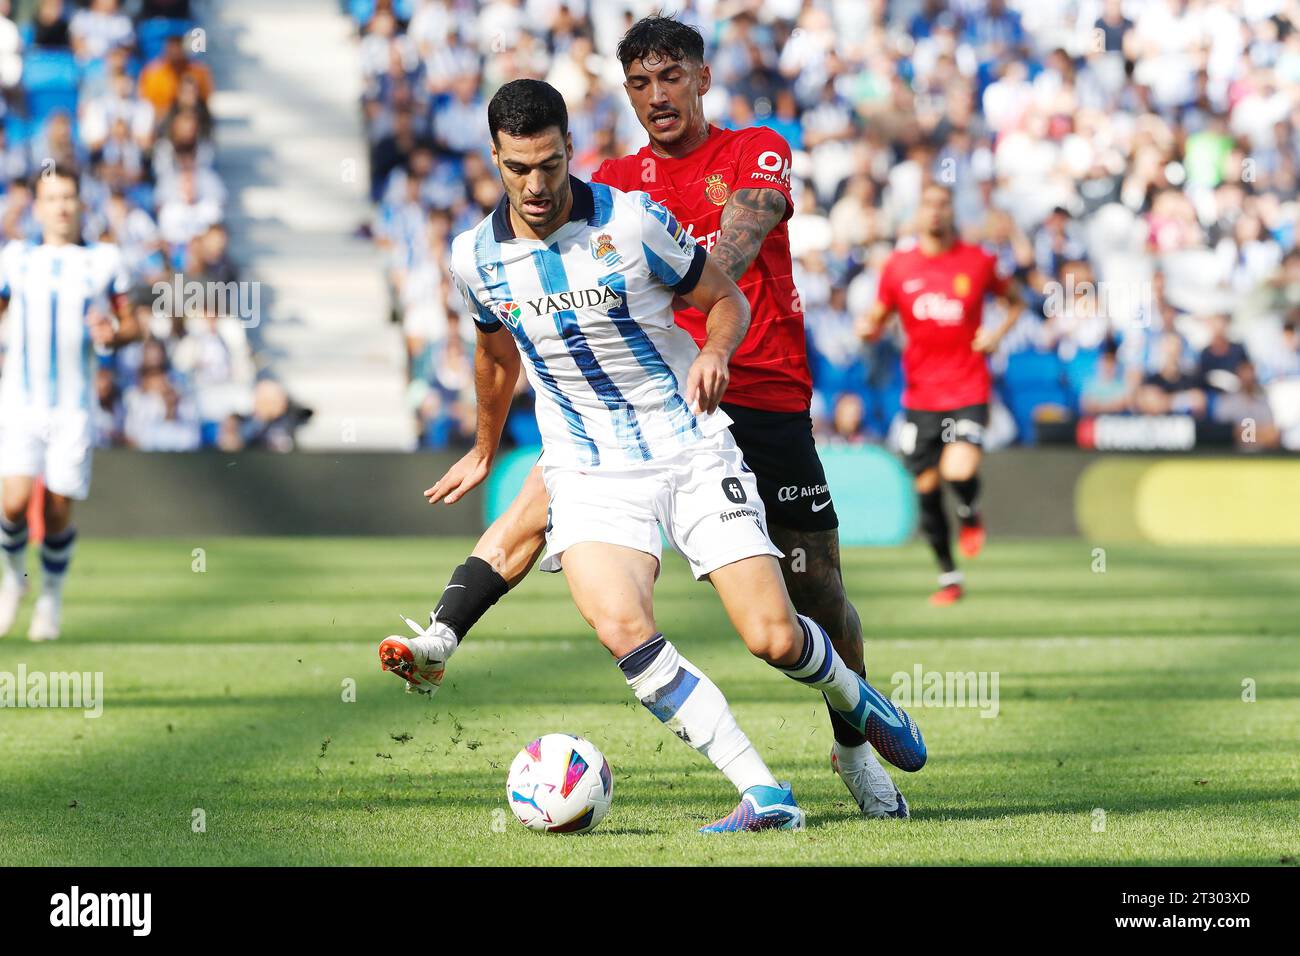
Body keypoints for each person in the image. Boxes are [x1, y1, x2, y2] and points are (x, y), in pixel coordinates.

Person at [383, 15, 910, 819]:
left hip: (756, 389)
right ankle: (442, 635)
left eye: (671, 78)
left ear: (702, 77)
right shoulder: (608, 184)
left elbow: (733, 247)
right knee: (551, 490)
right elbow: (515, 328)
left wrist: (650, 269)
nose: (656, 96)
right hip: (643, 401)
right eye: (639, 83)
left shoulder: (747, 153)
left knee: (817, 603)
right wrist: (492, 429)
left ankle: (853, 747)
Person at [859, 182, 1023, 606]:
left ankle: (970, 512)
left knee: (959, 471)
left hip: (968, 386)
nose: (935, 212)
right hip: (921, 397)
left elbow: (1016, 301)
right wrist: (869, 327)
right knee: (927, 488)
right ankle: (950, 577)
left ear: (952, 211)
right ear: (918, 212)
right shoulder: (898, 267)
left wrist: (996, 333)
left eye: (942, 204)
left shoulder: (979, 261)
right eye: (928, 204)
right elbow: (878, 316)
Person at [0, 166, 139, 639]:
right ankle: (14, 579)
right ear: (37, 207)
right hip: (20, 400)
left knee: (57, 508)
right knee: (14, 501)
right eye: (51, 197)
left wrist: (114, 333)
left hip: (73, 407)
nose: (60, 206)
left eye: (68, 197)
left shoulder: (103, 260)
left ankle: (51, 597)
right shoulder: (15, 259)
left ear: (80, 204)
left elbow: (133, 324)